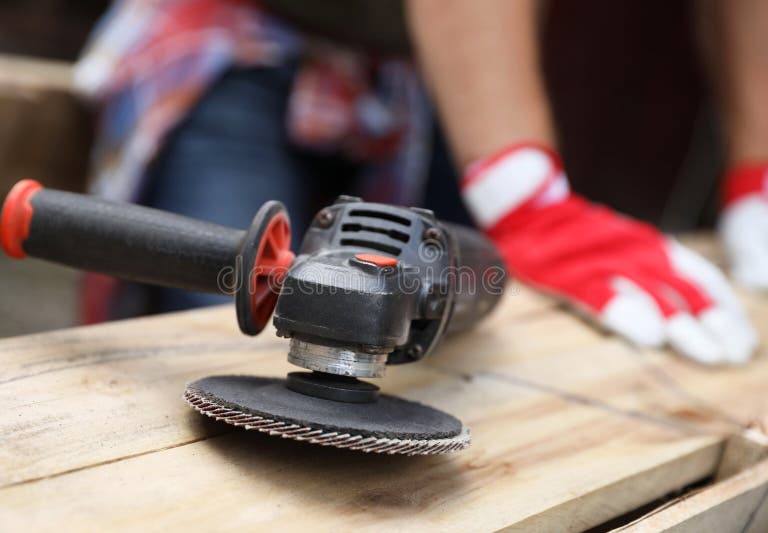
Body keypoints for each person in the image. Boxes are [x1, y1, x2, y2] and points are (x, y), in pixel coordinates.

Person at [75, 0, 764, 364]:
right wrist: (522, 193)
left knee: (463, 305)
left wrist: (755, 175)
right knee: (216, 336)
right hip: (248, 30)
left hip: (412, 71)